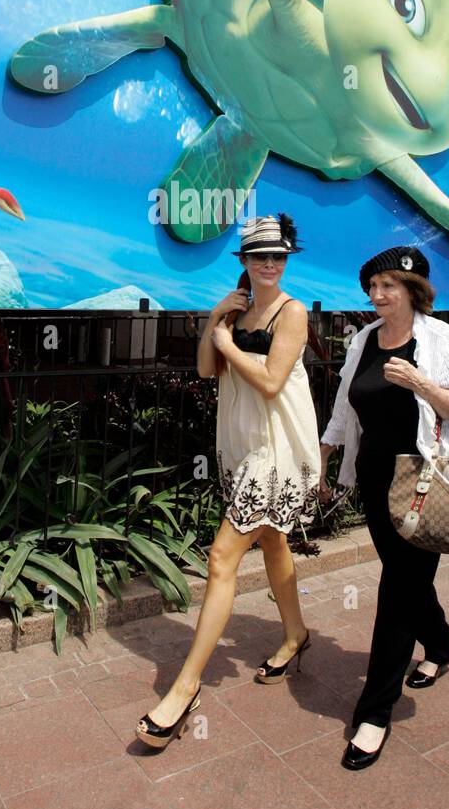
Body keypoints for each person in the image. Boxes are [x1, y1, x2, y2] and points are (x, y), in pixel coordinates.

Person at [135, 214, 321, 749]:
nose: (269, 264)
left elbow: (269, 381)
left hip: (275, 445)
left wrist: (228, 342)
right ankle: (294, 634)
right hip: (241, 442)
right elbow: (203, 370)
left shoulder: (293, 312)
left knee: (221, 558)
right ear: (244, 261)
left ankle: (186, 686)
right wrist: (217, 319)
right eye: (260, 256)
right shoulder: (237, 309)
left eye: (278, 257)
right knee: (273, 539)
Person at [319, 246, 449, 770]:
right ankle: (442, 644)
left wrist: (423, 385)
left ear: (413, 290)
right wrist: (323, 460)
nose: (378, 294)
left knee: (397, 589)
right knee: (406, 579)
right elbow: (346, 407)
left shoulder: (439, 338)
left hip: (425, 479)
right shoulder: (364, 340)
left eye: (389, 285)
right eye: (373, 286)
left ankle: (374, 712)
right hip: (374, 479)